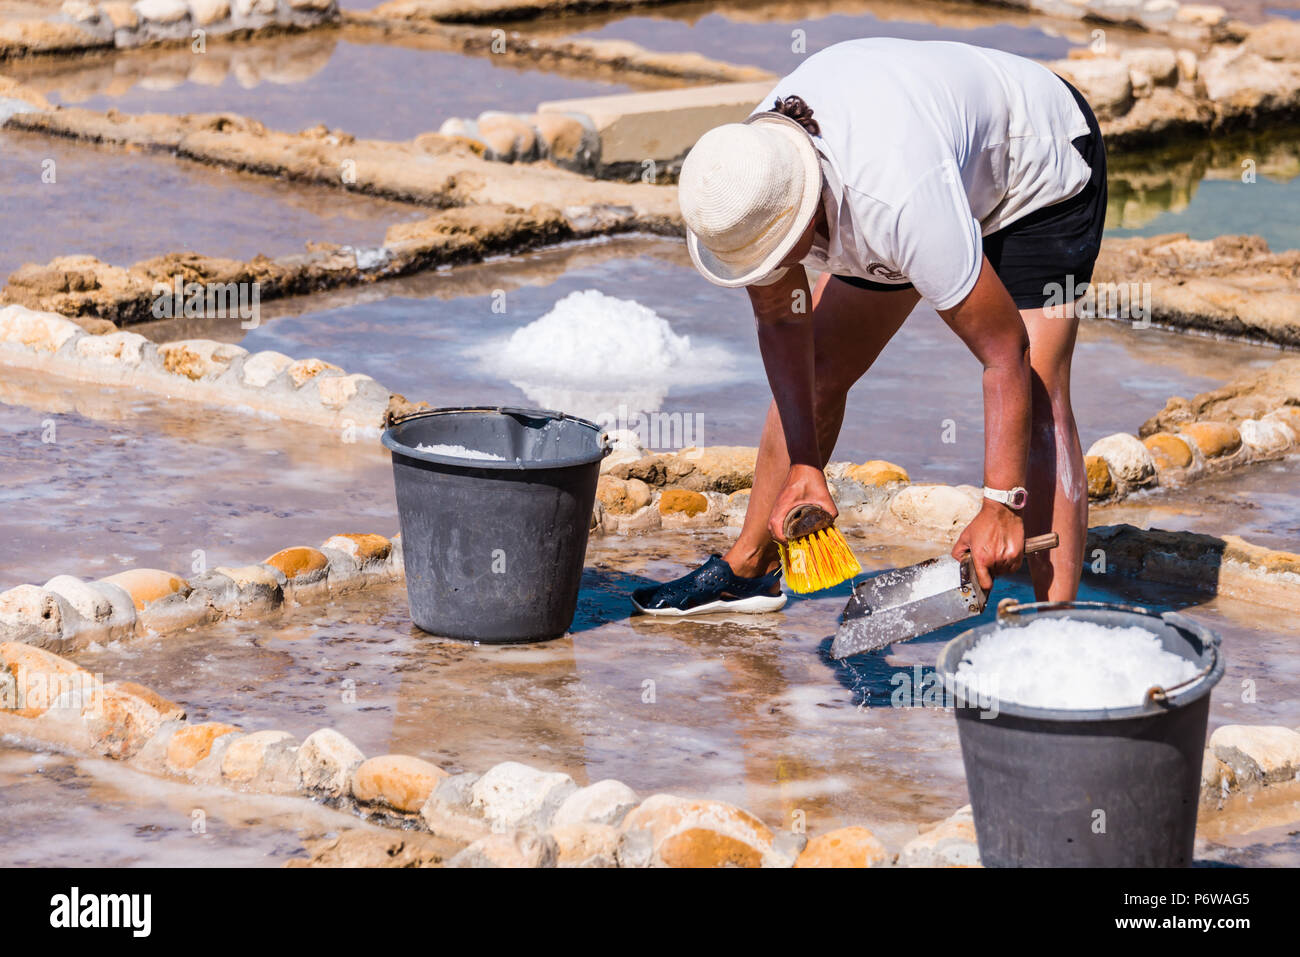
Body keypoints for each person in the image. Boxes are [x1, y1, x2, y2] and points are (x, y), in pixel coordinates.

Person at [631, 37, 1105, 617]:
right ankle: (749, 569)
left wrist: (1000, 502)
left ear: (805, 212)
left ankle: (1054, 630)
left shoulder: (898, 204)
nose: (771, 269)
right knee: (821, 371)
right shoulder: (750, 178)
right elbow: (783, 321)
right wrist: (805, 462)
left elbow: (1003, 348)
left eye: (776, 252)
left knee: (1038, 391)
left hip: (1039, 165)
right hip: (923, 162)